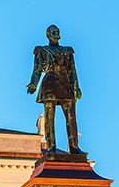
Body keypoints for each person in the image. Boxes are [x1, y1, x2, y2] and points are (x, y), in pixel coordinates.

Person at [26, 25, 82, 155]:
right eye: (53, 32)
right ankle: (51, 147)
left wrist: (76, 87)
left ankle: (74, 147)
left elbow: (72, 71)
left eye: (57, 32)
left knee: (71, 117)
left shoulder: (67, 51)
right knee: (49, 118)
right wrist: (33, 84)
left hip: (65, 83)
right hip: (49, 83)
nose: (56, 34)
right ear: (48, 35)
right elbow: (37, 70)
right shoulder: (42, 51)